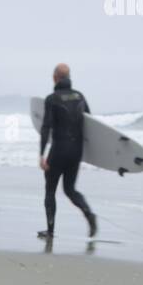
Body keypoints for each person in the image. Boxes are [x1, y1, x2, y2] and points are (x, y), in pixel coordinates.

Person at [38, 63, 97, 239]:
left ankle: (50, 231)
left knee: (50, 190)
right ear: (68, 77)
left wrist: (42, 154)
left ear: (55, 77)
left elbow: (46, 127)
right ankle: (89, 214)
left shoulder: (52, 98)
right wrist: (87, 154)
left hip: (59, 150)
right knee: (70, 189)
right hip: (76, 151)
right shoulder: (80, 97)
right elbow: (91, 124)